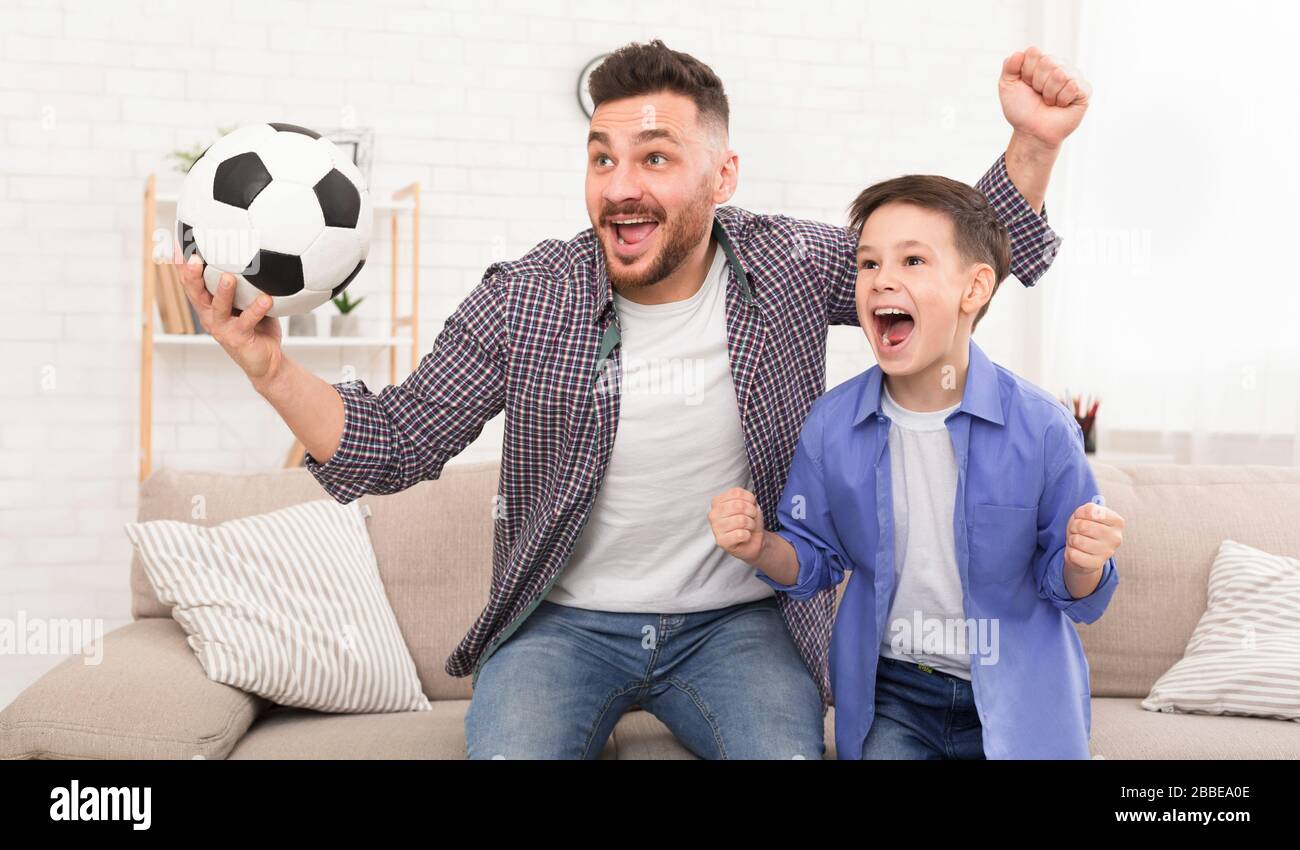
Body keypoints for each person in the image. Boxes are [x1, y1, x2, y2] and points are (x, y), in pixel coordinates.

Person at [177, 40, 1090, 759]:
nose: (620, 187)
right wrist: (269, 370)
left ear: (722, 177)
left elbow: (939, 258)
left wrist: (1032, 145)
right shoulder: (527, 297)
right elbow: (395, 441)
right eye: (602, 158)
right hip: (562, 627)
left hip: (738, 625)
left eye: (655, 158)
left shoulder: (788, 263)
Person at [707, 174, 1123, 759]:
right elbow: (813, 560)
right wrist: (756, 545)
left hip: (1018, 692)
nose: (883, 280)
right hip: (895, 694)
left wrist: (1084, 559)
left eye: (912, 260)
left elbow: (1076, 592)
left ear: (974, 288)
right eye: (868, 263)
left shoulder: (1044, 426)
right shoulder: (832, 423)